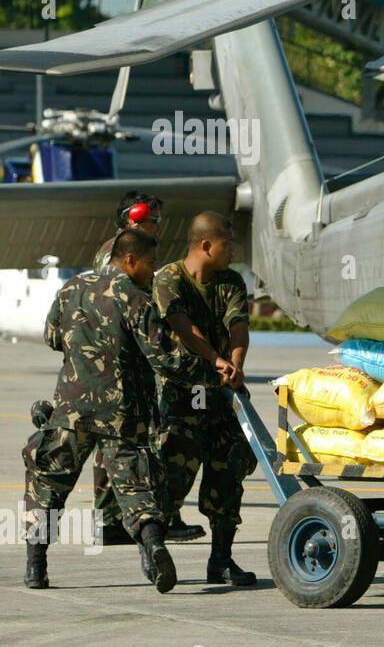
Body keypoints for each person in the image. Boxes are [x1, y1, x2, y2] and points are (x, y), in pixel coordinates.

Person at [23, 229, 219, 592]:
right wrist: (211, 371)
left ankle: (36, 567)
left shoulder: (71, 288)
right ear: (129, 260)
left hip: (71, 410)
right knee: (137, 490)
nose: (153, 270)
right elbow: (165, 359)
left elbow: (52, 337)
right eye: (150, 263)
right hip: (123, 416)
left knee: (47, 485)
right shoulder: (136, 299)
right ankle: (154, 546)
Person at [152, 212, 257, 586]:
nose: (233, 251)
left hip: (221, 393)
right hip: (186, 392)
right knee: (173, 473)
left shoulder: (231, 281)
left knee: (229, 469)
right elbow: (183, 328)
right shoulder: (168, 278)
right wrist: (216, 360)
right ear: (206, 245)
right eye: (228, 245)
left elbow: (239, 326)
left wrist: (236, 364)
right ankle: (153, 550)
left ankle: (221, 560)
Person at [90, 192, 196, 545]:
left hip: (125, 359)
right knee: (130, 439)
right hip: (125, 361)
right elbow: (121, 306)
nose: (158, 225)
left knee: (121, 440)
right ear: (132, 218)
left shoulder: (128, 250)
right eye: (152, 218)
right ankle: (122, 519)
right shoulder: (116, 255)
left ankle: (124, 519)